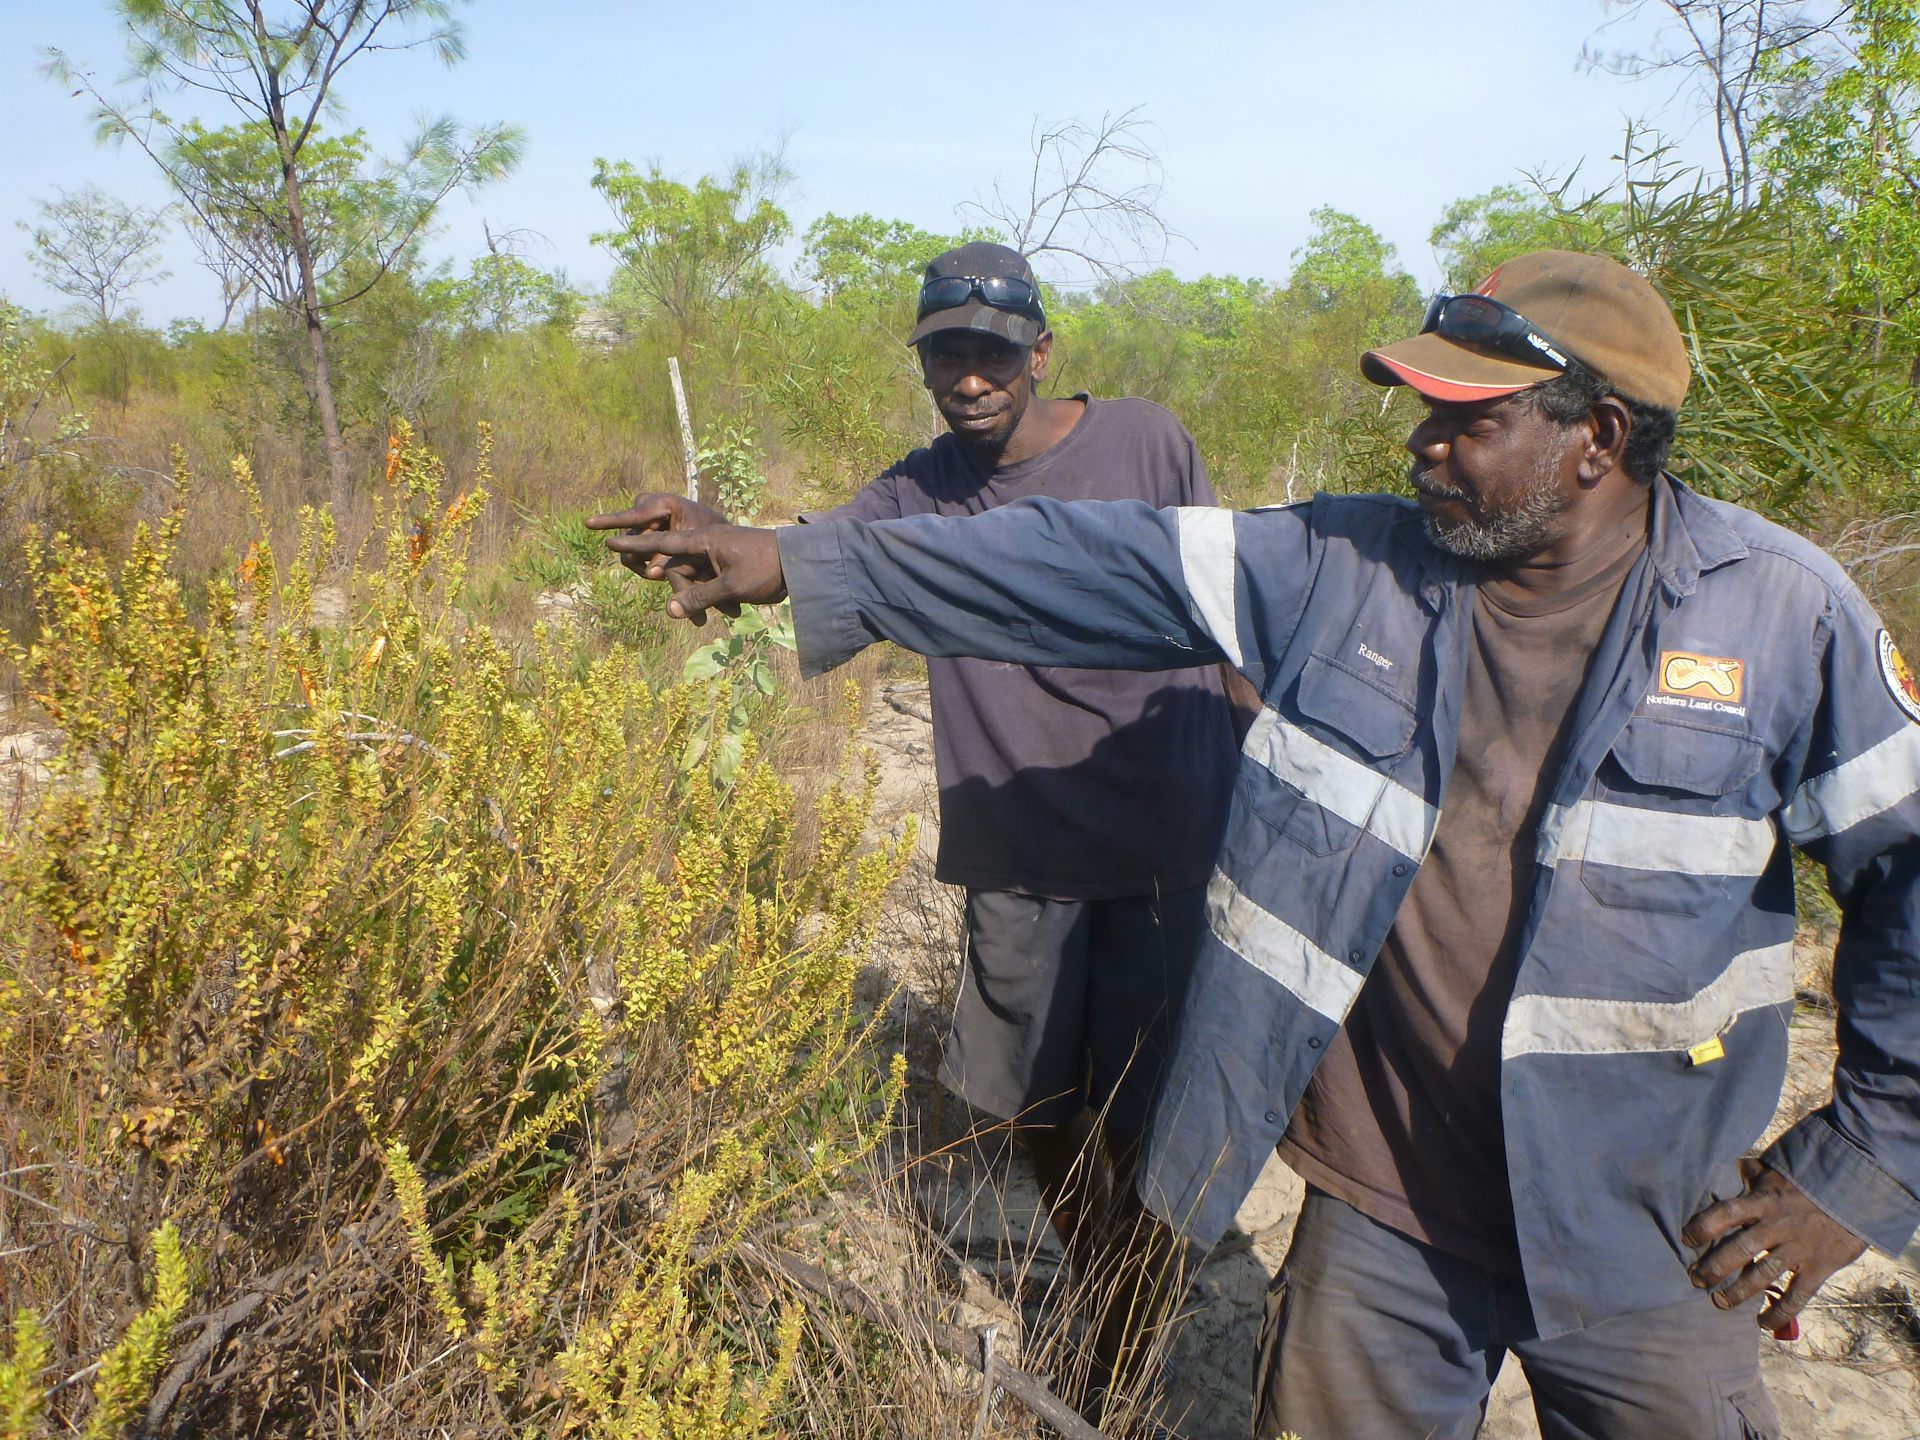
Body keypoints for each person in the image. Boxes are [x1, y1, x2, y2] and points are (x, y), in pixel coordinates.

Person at [599, 249, 1920, 1439]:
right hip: (1385, 1219)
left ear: (1600, 439)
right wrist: (809, 563)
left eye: (1470, 421)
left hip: (1653, 1229)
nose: (1424, 448)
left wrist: (1854, 1174)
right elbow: (1085, 562)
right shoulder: (1350, 569)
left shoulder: (1780, 618)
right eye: (1422, 413)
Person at [591, 241, 1248, 1410]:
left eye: (992, 352)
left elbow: (1229, 597)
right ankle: (1101, 1278)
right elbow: (814, 552)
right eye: (947, 353)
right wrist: (717, 532)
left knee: (1147, 1112)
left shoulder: (1145, 440)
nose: (971, 377)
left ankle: (1128, 1350)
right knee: (1040, 1106)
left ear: (1040, 352)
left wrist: (1264, 772)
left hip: (1164, 830)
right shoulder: (921, 487)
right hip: (1019, 839)